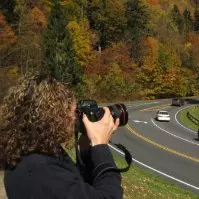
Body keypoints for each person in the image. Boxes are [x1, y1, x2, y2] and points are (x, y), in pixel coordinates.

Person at [0, 75, 122, 199]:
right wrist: (100, 147)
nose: (76, 118)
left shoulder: (29, 153)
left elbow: (77, 187)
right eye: (75, 112)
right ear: (55, 116)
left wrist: (85, 152)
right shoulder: (41, 170)